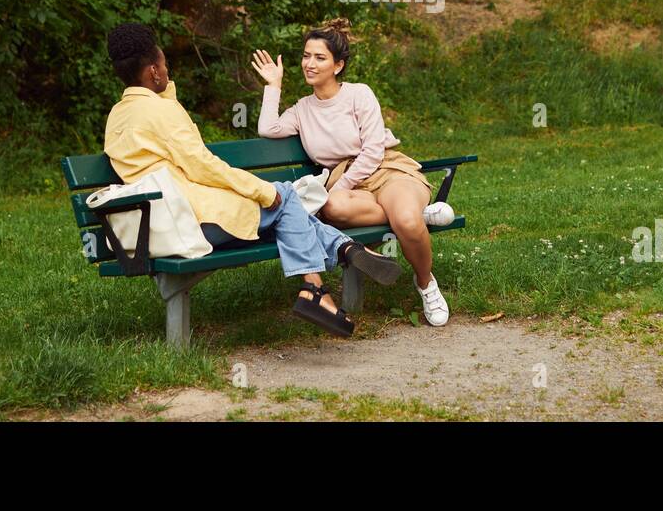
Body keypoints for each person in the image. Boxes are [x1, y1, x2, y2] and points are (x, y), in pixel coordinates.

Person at [103, 23, 401, 337]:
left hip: (156, 220)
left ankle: (332, 267)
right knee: (283, 197)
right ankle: (324, 274)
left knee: (285, 207)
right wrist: (258, 189)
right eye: (164, 65)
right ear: (153, 71)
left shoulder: (119, 114)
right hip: (190, 221)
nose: (167, 71)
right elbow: (202, 165)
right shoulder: (160, 112)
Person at [252, 18, 452, 326]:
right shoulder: (302, 110)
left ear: (338, 65)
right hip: (348, 188)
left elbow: (372, 149)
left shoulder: (359, 94)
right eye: (306, 56)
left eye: (319, 57)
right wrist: (273, 85)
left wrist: (342, 183)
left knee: (405, 222)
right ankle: (415, 213)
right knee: (332, 206)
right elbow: (268, 128)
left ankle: (425, 283)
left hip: (384, 170)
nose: (309, 64)